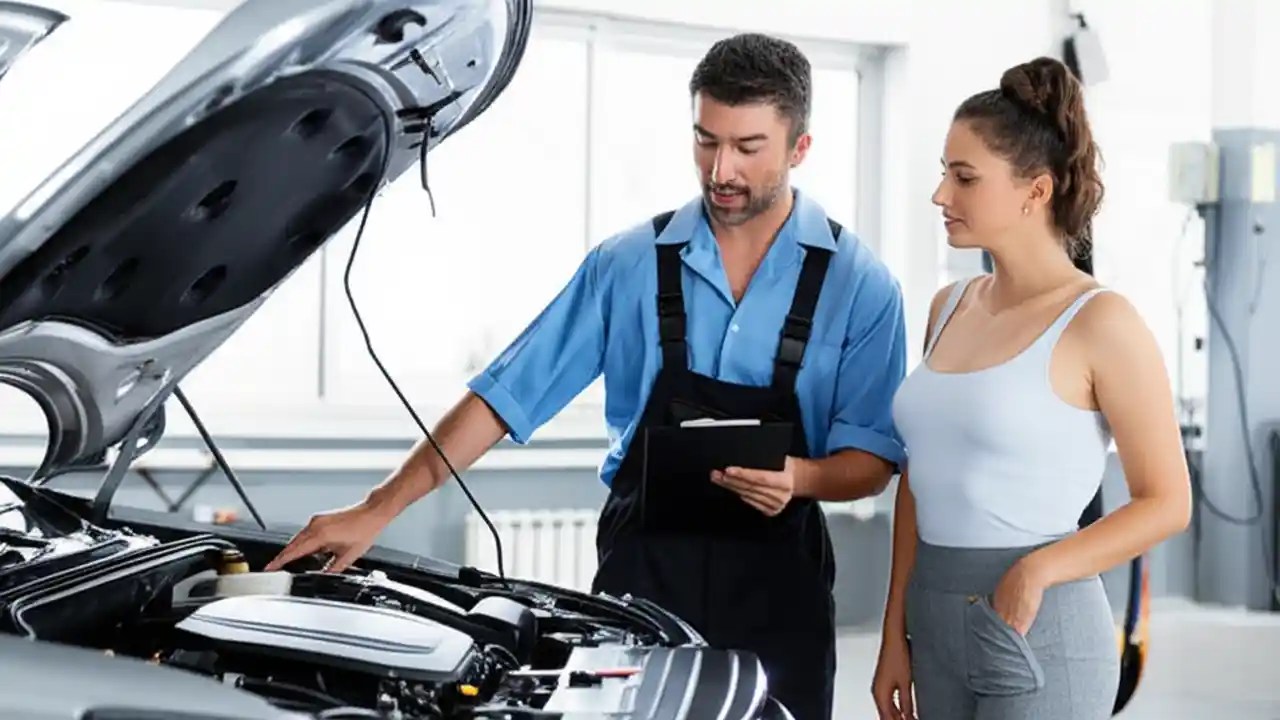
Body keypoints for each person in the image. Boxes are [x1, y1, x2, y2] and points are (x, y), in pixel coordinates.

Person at [267, 32, 908, 720]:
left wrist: (799, 479)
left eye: (748, 148)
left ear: (798, 148)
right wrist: (378, 508)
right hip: (643, 575)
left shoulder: (860, 285)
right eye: (705, 140)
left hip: (780, 587)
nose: (720, 168)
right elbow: (503, 396)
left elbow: (872, 461)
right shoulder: (627, 264)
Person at [870, 56, 1192, 720]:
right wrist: (893, 630)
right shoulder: (947, 305)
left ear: (1035, 191)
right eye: (942, 173)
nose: (940, 196)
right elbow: (917, 478)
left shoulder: (1102, 322)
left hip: (1039, 625)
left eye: (964, 178)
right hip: (932, 622)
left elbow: (1167, 503)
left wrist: (1039, 569)